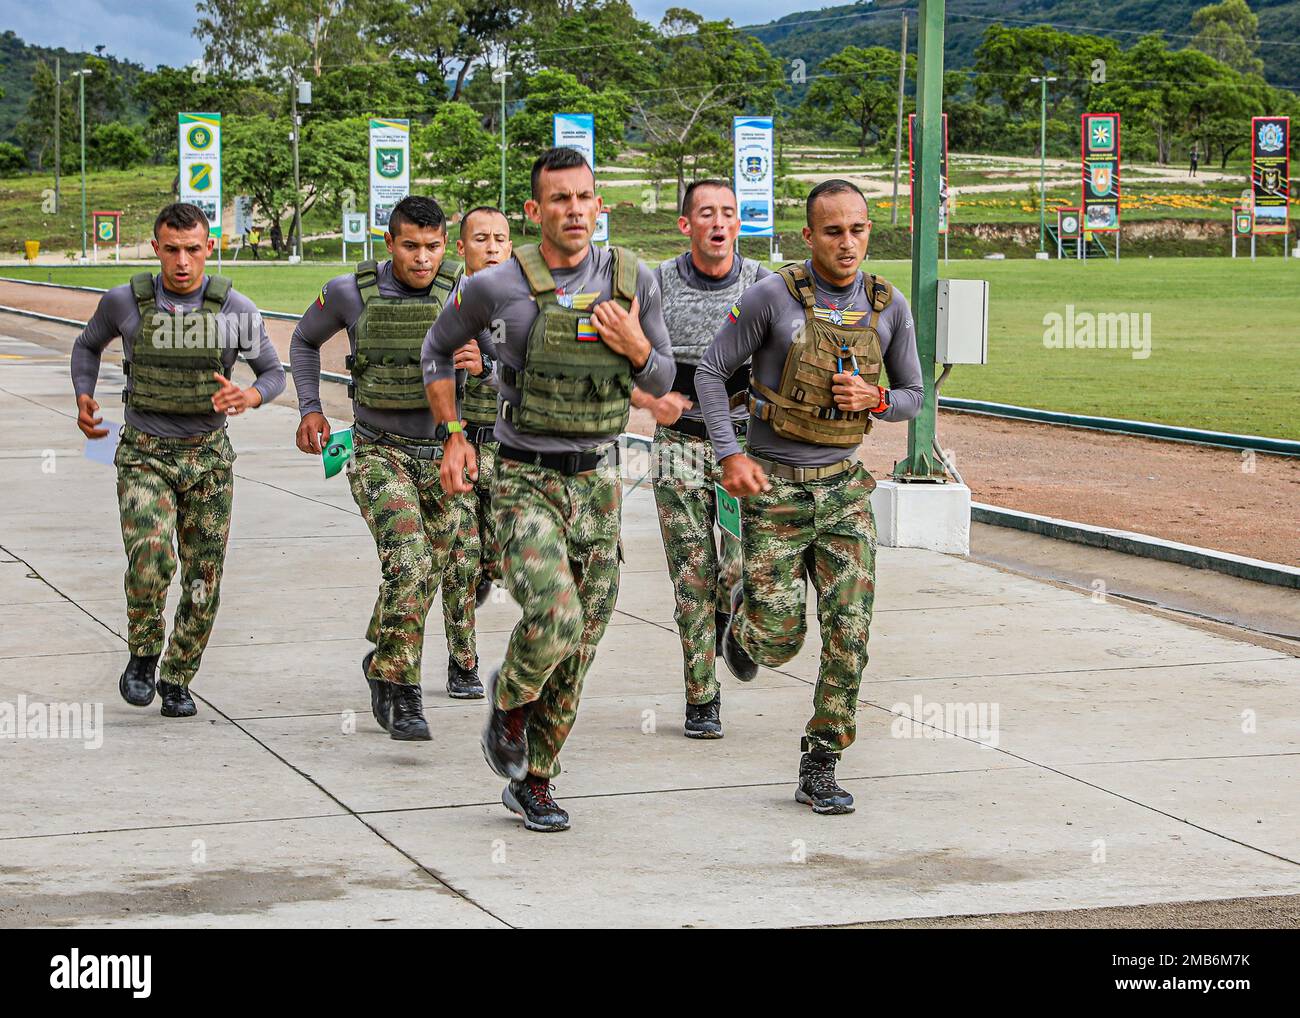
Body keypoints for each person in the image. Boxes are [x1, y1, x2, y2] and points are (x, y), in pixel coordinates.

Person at [423, 147, 675, 832]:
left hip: (599, 479)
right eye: (557, 199)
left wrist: (635, 348)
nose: (572, 210)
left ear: (600, 206)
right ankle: (508, 704)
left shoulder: (633, 281)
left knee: (581, 640)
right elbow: (435, 349)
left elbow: (660, 382)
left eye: (582, 197)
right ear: (534, 211)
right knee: (556, 613)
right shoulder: (495, 286)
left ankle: (535, 780)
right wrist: (451, 433)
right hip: (522, 475)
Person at [696, 178, 923, 815]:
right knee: (779, 638)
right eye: (833, 231)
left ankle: (821, 760)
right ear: (809, 236)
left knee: (850, 630)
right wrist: (730, 454)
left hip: (844, 490)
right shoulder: (772, 298)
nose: (847, 243)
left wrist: (876, 401)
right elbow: (712, 373)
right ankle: (744, 627)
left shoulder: (889, 306)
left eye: (857, 230)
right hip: (772, 488)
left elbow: (914, 394)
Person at [72, 202, 286, 717]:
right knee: (150, 558)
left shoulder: (237, 308)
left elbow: (274, 374)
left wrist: (249, 397)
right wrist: (83, 395)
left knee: (202, 575)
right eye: (172, 250)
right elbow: (87, 346)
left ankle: (178, 675)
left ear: (210, 247)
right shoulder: (125, 301)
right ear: (156, 248)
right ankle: (144, 652)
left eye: (193, 249)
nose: (183, 262)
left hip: (209, 457)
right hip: (144, 451)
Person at [290, 195, 471, 740]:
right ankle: (401, 689)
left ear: (446, 245)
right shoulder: (351, 291)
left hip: (442, 452)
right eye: (410, 246)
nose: (422, 258)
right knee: (411, 562)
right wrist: (310, 407)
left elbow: (507, 353)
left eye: (433, 247)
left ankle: (380, 656)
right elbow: (303, 340)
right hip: (376, 450)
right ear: (388, 242)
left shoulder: (465, 291)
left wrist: (486, 361)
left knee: (419, 574)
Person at [634, 179, 769, 739]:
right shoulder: (657, 284)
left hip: (742, 448)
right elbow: (621, 360)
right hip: (680, 447)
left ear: (740, 224)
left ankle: (731, 618)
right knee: (691, 576)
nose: (719, 223)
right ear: (686, 224)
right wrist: (648, 401)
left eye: (730, 214)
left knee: (740, 567)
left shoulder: (763, 284)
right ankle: (701, 698)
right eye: (707, 213)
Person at [439, 205, 513, 699]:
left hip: (509, 449)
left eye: (501, 239)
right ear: (460, 248)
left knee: (502, 560)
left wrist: (487, 368)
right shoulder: (440, 304)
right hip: (456, 447)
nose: (492, 247)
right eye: (480, 239)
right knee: (459, 556)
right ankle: (462, 662)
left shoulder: (526, 304)